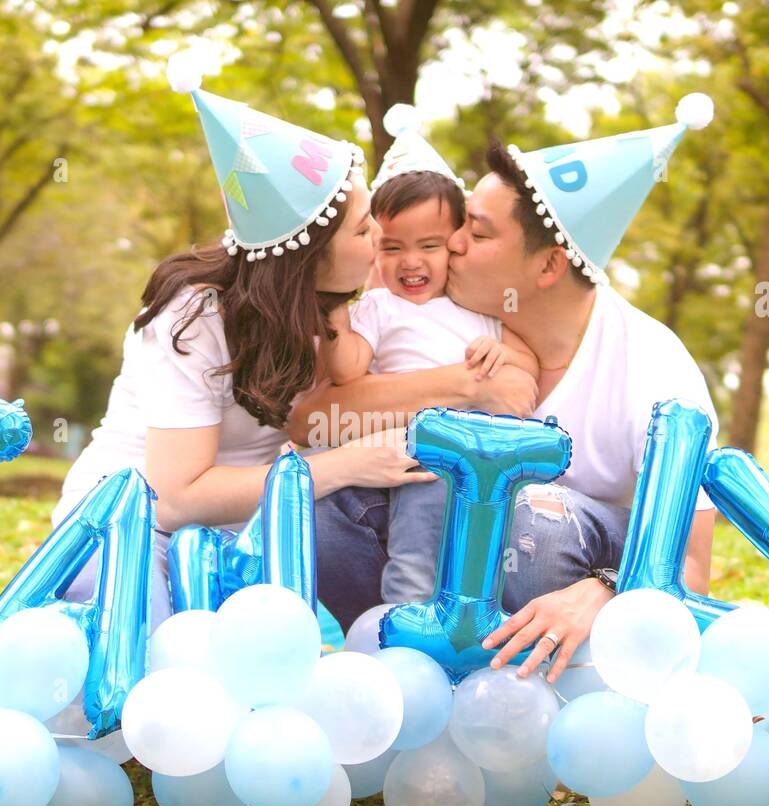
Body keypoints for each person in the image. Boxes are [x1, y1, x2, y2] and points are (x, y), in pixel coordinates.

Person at [294, 94, 721, 682]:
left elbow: (692, 565)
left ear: (547, 267)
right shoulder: (443, 318)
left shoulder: (654, 371)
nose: (454, 245)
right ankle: (402, 656)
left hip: (568, 559)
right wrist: (461, 388)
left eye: (478, 232)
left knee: (525, 514)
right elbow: (316, 416)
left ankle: (509, 670)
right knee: (329, 491)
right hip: (434, 552)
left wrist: (598, 594)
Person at [52, 58, 438, 626]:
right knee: (151, 676)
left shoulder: (333, 306)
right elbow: (176, 495)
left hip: (242, 543)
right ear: (308, 259)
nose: (381, 238)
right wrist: (342, 464)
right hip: (128, 528)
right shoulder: (193, 313)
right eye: (362, 229)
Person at [318, 106, 540, 605]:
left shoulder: (477, 307)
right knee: (418, 537)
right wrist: (333, 308)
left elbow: (528, 368)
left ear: (456, 243)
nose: (411, 262)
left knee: (463, 538)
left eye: (430, 245)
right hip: (412, 447)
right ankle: (406, 609)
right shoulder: (378, 306)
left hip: (481, 450)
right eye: (392, 248)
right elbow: (347, 368)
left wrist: (500, 352)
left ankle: (463, 607)